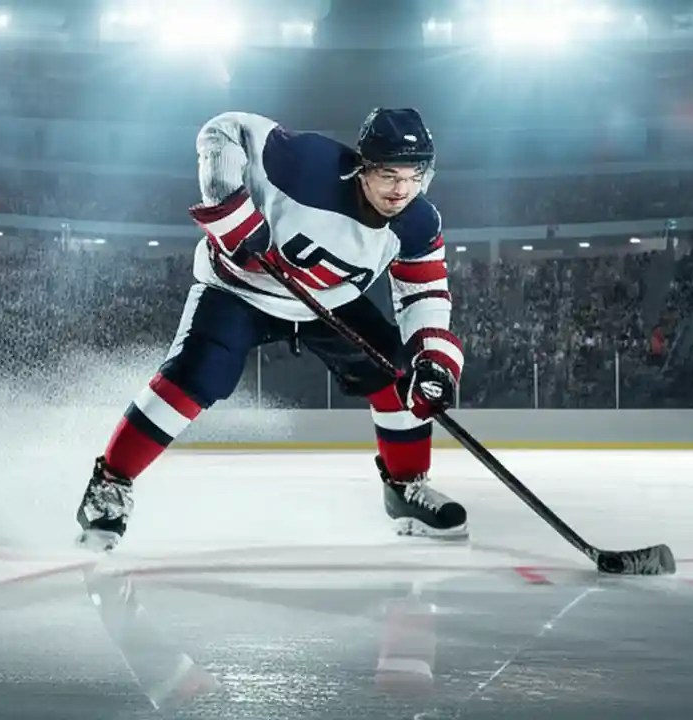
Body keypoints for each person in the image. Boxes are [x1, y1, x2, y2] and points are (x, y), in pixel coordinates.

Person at [73, 108, 468, 551]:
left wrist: (431, 360)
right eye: (388, 174)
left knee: (400, 377)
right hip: (240, 287)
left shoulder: (418, 224)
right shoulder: (304, 163)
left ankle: (405, 489)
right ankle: (110, 483)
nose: (401, 189)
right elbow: (223, 130)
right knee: (196, 373)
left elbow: (424, 293)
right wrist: (231, 212)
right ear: (362, 167)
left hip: (326, 302)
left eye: (414, 176)